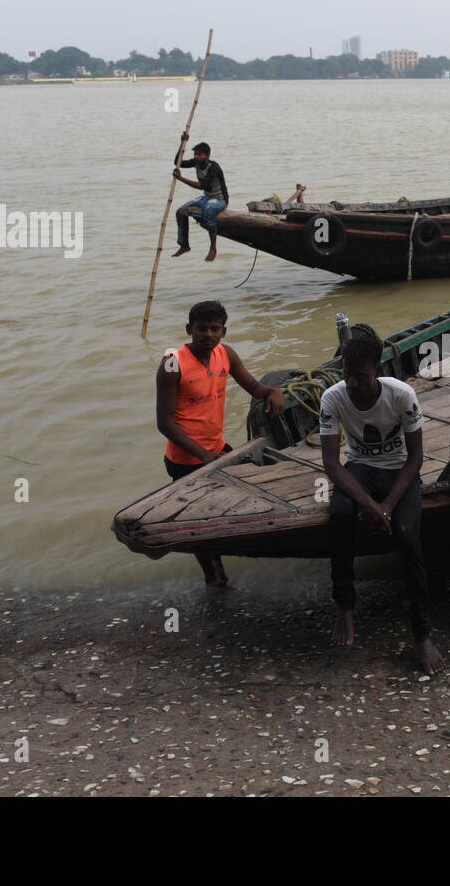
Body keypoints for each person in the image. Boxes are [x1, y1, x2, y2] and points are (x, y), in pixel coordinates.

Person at [319, 327, 444, 675]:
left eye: (359, 376)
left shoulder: (402, 395)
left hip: (399, 471)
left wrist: (387, 505)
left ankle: (422, 634)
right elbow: (331, 462)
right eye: (346, 375)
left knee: (406, 536)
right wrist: (366, 503)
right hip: (360, 468)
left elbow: (416, 457)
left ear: (377, 369)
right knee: (340, 515)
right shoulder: (332, 397)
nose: (352, 383)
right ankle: (346, 606)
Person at [156, 300, 285, 586]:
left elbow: (254, 387)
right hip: (185, 459)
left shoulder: (225, 354)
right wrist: (202, 455)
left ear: (224, 332)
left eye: (215, 329)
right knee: (198, 525)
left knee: (237, 500)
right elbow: (164, 423)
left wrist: (273, 391)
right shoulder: (172, 364)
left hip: (217, 450)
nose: (208, 335)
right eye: (202, 328)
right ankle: (213, 578)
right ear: (189, 329)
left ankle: (232, 561)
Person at [171, 131, 229, 262]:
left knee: (209, 211)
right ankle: (184, 245)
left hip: (220, 200)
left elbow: (202, 185)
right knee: (181, 212)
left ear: (207, 156)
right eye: (195, 154)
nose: (196, 157)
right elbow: (177, 162)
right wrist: (182, 142)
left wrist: (180, 178)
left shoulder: (214, 167)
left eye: (199, 154)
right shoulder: (196, 162)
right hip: (207, 197)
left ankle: (213, 248)